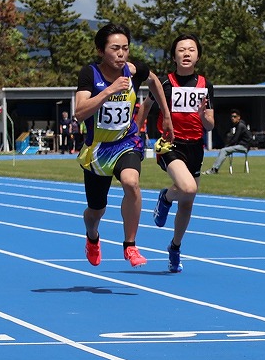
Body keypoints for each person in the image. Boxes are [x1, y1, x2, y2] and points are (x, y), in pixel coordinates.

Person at [75, 22, 172, 268]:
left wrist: (166, 115)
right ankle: (92, 237)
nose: (121, 54)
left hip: (126, 142)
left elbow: (154, 82)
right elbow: (79, 112)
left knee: (131, 182)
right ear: (100, 50)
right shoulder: (90, 74)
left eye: (125, 48)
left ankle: (130, 245)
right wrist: (109, 91)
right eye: (115, 48)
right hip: (97, 150)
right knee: (95, 212)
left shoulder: (134, 70)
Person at [149, 33, 215, 273]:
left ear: (198, 55)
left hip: (196, 147)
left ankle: (175, 247)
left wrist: (202, 116)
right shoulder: (164, 84)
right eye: (181, 50)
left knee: (187, 203)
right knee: (188, 188)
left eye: (191, 50)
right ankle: (165, 198)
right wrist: (134, 133)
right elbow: (145, 107)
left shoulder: (205, 85)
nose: (186, 53)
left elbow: (210, 125)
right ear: (174, 56)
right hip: (170, 145)